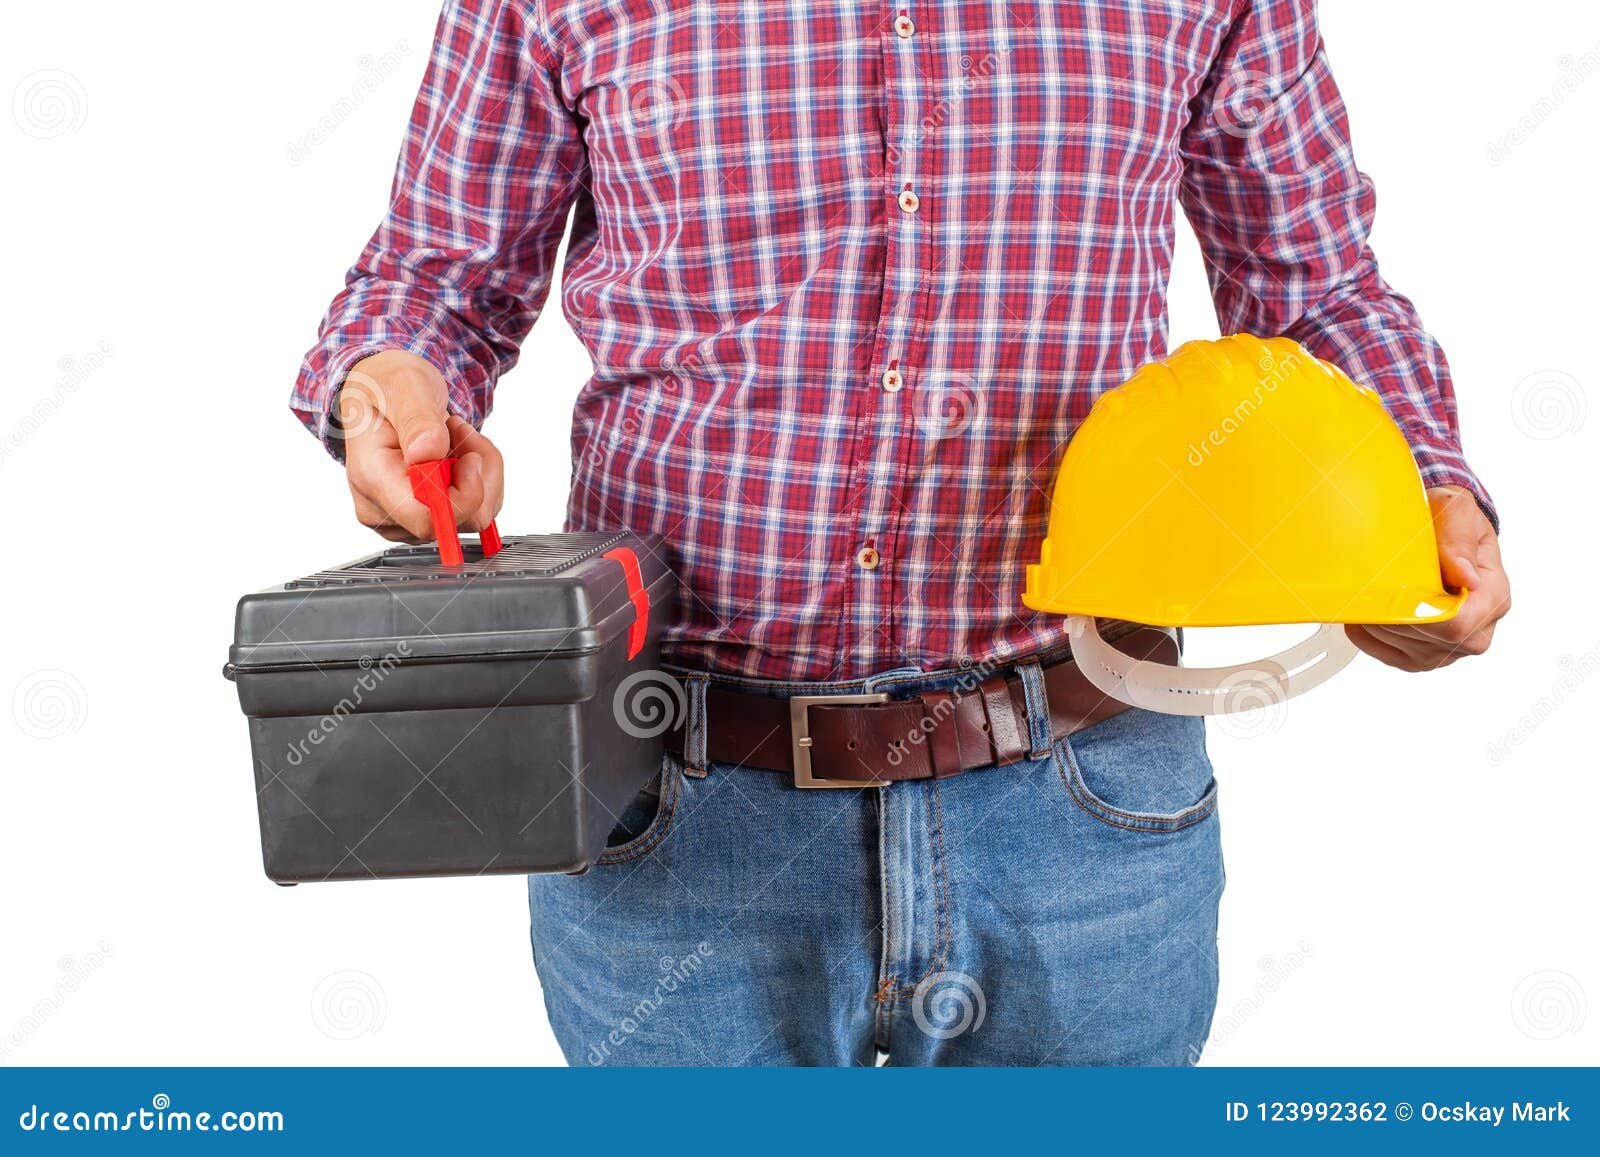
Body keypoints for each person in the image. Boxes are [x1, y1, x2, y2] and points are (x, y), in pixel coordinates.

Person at [293, 0, 1511, 1065]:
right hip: (672, 800)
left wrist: (1429, 498)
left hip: (1084, 793)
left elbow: (1314, 288)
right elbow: (439, 273)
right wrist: (391, 385)